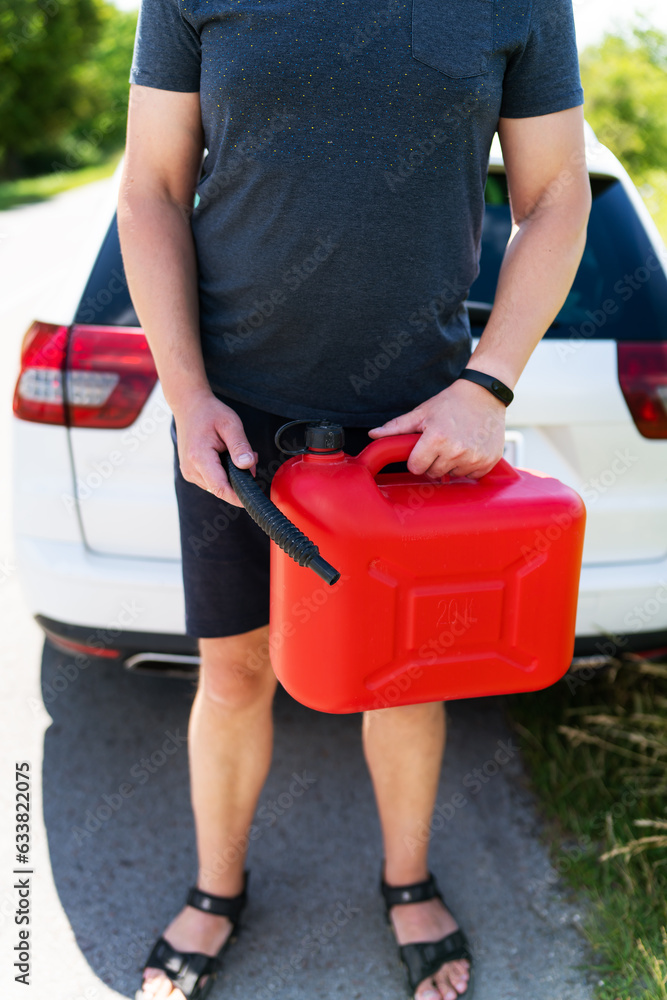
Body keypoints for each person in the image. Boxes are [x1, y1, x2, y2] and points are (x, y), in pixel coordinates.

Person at [118, 0, 591, 996]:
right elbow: (152, 185)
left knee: (407, 678)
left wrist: (487, 384)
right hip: (233, 418)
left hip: (411, 428)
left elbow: (555, 194)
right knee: (234, 674)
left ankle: (407, 880)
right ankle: (215, 893)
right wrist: (187, 394)